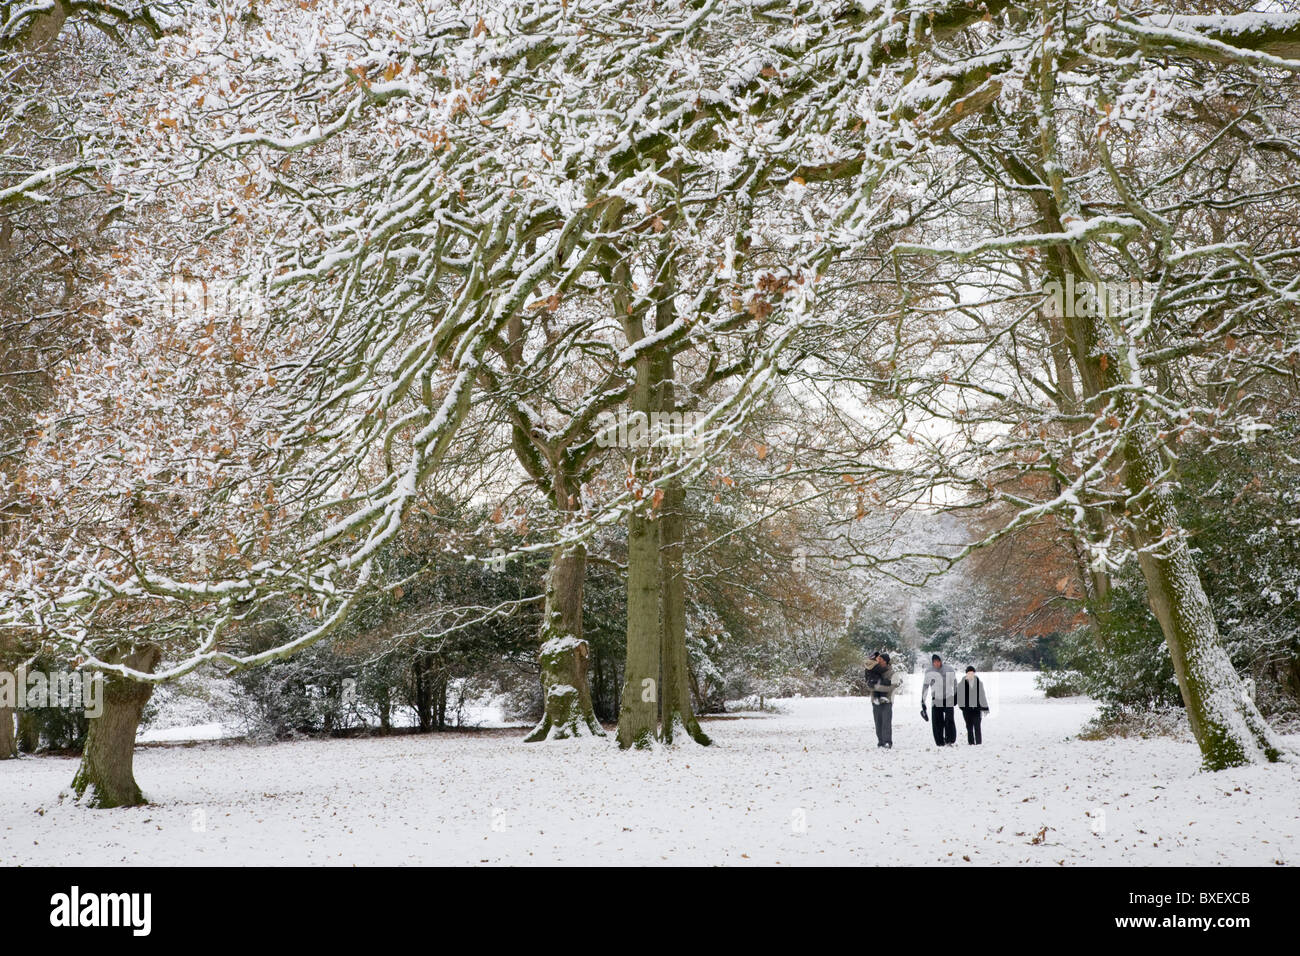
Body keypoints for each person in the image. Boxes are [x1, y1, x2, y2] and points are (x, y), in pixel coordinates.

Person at [919, 653, 957, 746]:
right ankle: (940, 742)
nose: (936, 663)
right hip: (936, 698)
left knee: (949, 719)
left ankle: (950, 740)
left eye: (938, 661)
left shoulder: (949, 669)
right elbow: (925, 687)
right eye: (934, 662)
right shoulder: (929, 671)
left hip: (948, 697)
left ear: (941, 661)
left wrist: (956, 695)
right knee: (937, 722)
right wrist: (923, 701)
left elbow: (955, 683)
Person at [864, 652, 901, 748]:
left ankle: (887, 741)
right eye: (879, 660)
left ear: (886, 662)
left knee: (886, 722)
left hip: (887, 701)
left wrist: (876, 687)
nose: (879, 661)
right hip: (875, 700)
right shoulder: (875, 670)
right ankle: (880, 741)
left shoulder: (892, 673)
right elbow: (869, 684)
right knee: (878, 722)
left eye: (882, 660)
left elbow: (892, 687)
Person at [955, 665, 990, 744]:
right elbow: (959, 697)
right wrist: (962, 707)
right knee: (969, 727)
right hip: (967, 710)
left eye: (972, 673)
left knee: (977, 726)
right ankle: (971, 743)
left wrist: (985, 707)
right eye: (969, 673)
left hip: (977, 709)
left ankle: (978, 743)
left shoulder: (979, 683)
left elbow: (982, 695)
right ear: (966, 674)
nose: (970, 674)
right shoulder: (961, 684)